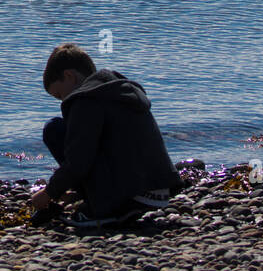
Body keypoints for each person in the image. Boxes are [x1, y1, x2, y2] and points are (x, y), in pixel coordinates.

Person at [30, 44, 181, 230]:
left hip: (132, 193)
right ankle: (102, 199)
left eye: (60, 95)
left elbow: (79, 160)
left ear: (69, 76)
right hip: (159, 190)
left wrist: (49, 193)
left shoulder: (85, 100)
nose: (63, 102)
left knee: (54, 129)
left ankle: (106, 208)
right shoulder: (118, 91)